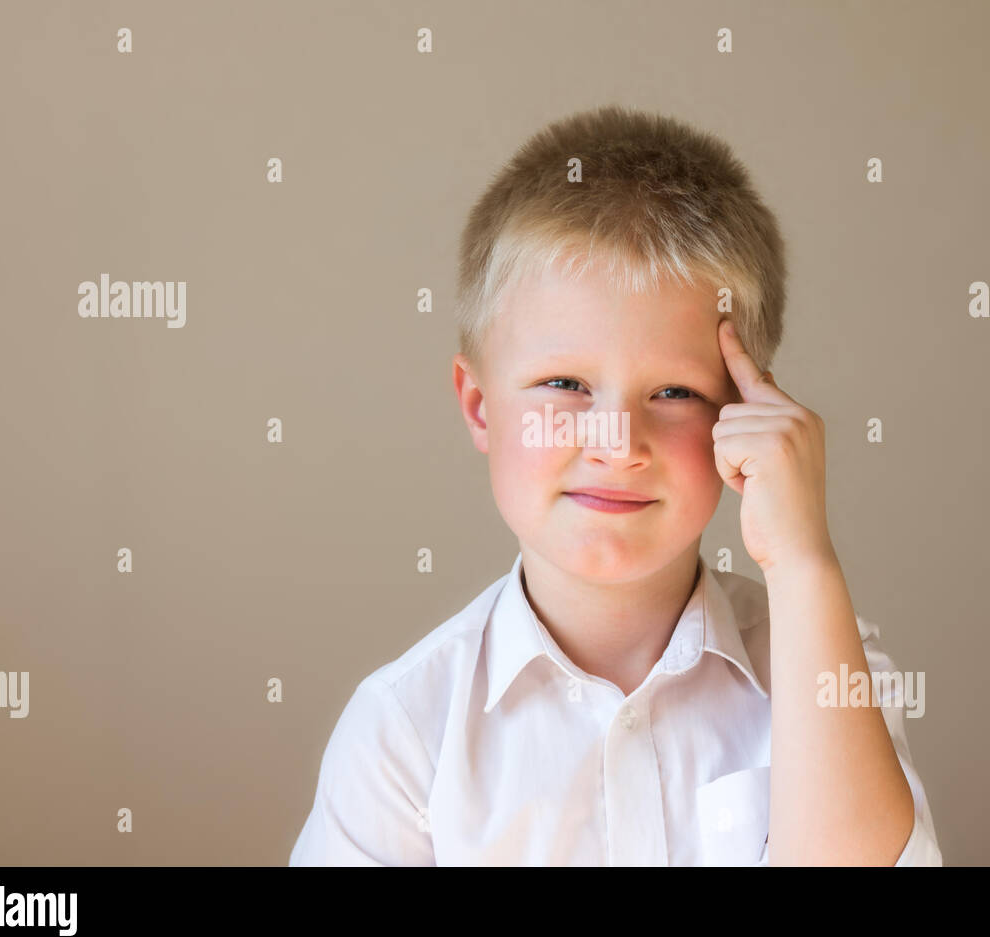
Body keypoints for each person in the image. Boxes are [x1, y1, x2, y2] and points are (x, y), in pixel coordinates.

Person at [289, 104, 942, 866]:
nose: (618, 444)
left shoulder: (818, 656)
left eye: (675, 394)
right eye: (565, 384)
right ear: (479, 406)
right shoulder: (405, 731)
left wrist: (803, 561)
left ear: (745, 416)